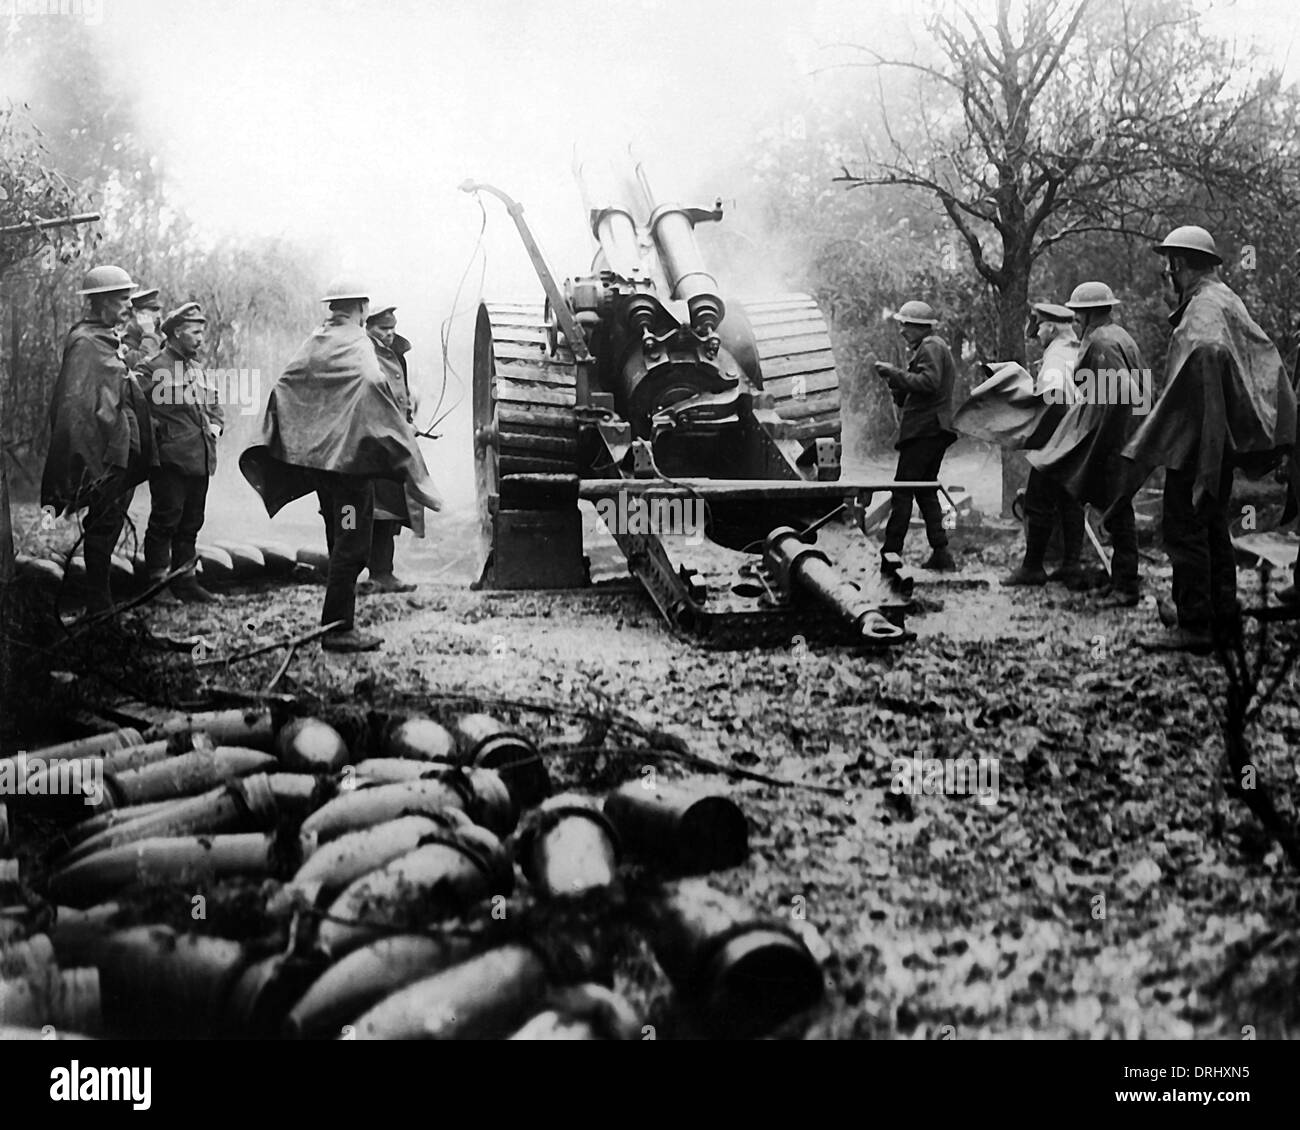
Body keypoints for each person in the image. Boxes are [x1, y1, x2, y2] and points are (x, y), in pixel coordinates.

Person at [239, 279, 443, 653]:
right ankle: (337, 630)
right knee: (352, 545)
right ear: (363, 308)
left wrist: (311, 433)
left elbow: (285, 386)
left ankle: (336, 624)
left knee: (340, 539)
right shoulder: (356, 342)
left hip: (322, 469)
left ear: (332, 307)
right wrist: (394, 425)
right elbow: (371, 381)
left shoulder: (316, 341)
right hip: (348, 472)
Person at [1124, 225, 1296, 651]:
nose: (1166, 275)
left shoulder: (1200, 316)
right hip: (1218, 444)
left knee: (1184, 528)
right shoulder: (1226, 299)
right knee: (1213, 526)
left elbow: (1206, 372)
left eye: (1168, 268)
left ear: (1179, 265)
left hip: (1201, 445)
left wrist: (1199, 459)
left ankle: (1196, 624)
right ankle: (1224, 619)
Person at [40, 265, 155, 615]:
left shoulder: (107, 339)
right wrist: (84, 458)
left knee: (110, 520)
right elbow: (74, 405)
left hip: (119, 450)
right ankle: (99, 605)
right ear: (101, 301)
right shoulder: (86, 343)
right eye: (122, 299)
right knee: (103, 526)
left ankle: (100, 603)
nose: (128, 306)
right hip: (102, 453)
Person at [1028, 282, 1145, 605]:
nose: (1076, 320)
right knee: (1119, 509)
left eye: (1078, 314)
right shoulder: (1121, 336)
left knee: (1119, 513)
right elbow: (1143, 391)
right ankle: (1122, 581)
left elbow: (1119, 395)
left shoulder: (1102, 342)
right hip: (1123, 435)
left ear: (1087, 312)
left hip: (1110, 439)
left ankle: (1126, 588)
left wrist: (1102, 440)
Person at [136, 302, 223, 604]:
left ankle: (186, 580)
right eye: (195, 332)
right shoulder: (152, 368)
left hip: (200, 458)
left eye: (202, 332)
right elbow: (135, 411)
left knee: (191, 523)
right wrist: (156, 437)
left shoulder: (198, 369)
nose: (200, 339)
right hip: (170, 460)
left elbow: (214, 405)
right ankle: (157, 586)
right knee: (165, 521)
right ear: (175, 332)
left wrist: (216, 425)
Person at [874, 300, 958, 576]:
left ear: (920, 327)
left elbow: (929, 383)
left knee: (903, 490)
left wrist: (895, 374)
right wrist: (898, 383)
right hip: (932, 430)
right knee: (924, 490)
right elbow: (921, 387)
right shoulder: (931, 347)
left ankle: (890, 551)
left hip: (925, 431)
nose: (901, 331)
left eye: (906, 325)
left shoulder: (931, 346)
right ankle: (941, 552)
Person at [1003, 301, 1084, 586]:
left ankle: (1033, 567)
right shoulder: (1078, 350)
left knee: (1037, 501)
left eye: (1039, 328)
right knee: (1069, 501)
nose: (1036, 334)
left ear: (1050, 328)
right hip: (1078, 437)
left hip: (1058, 439)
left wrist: (1040, 437)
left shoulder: (1054, 357)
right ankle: (1071, 564)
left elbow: (1054, 399)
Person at [362, 302, 419, 593]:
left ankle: (383, 571)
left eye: (392, 328)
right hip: (368, 447)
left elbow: (400, 395)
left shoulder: (397, 356)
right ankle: (348, 570)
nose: (389, 334)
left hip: (393, 449)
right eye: (383, 329)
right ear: (368, 327)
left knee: (390, 511)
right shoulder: (361, 355)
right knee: (355, 511)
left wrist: (410, 418)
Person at [122, 286, 163, 370]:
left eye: (159, 310)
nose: (159, 315)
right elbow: (149, 365)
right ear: (136, 312)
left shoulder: (162, 335)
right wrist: (149, 334)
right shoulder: (125, 342)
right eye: (153, 310)